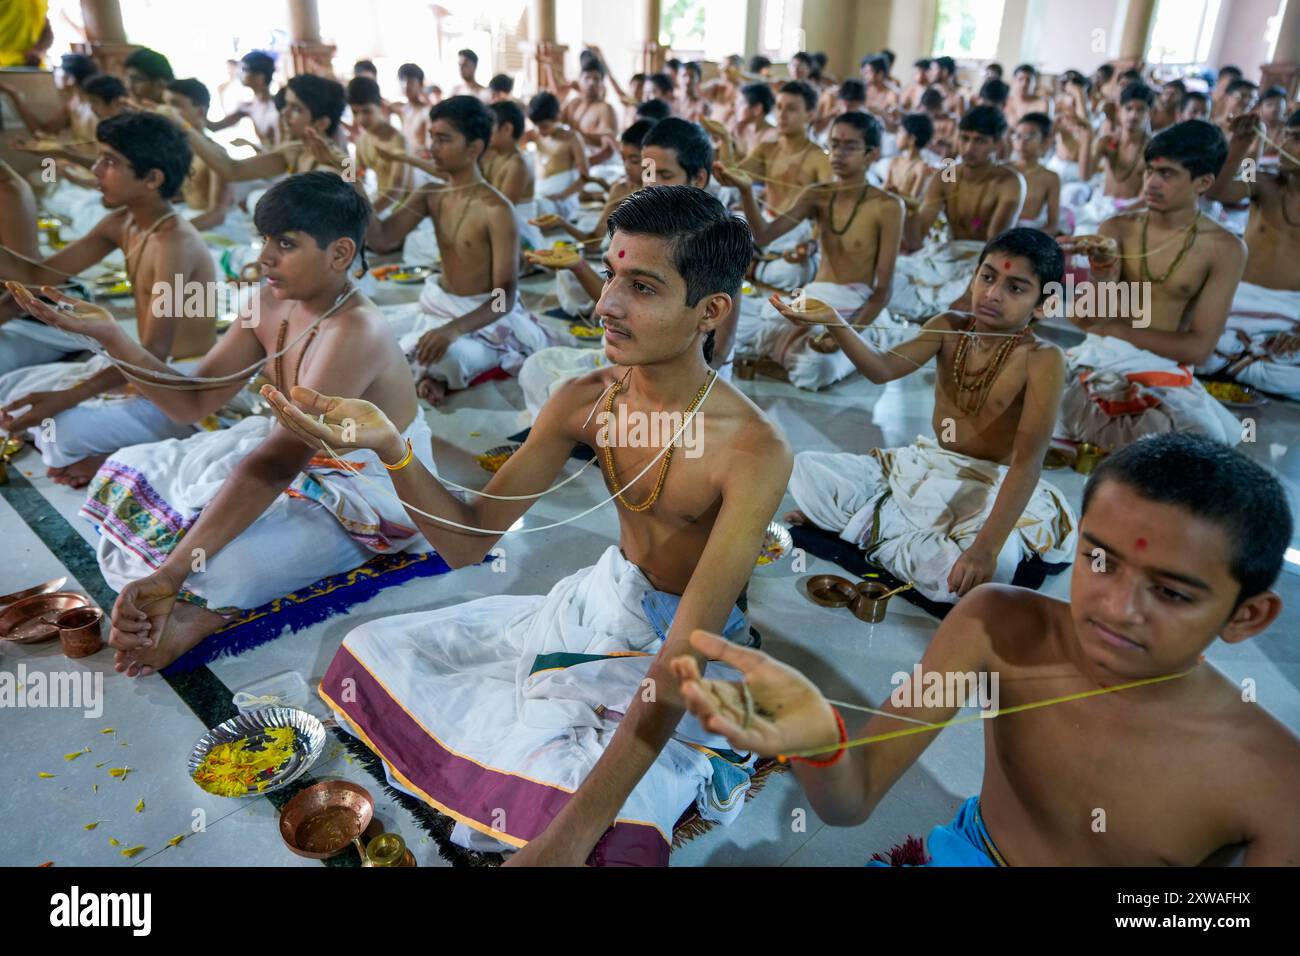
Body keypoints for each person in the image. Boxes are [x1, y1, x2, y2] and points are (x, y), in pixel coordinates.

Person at [266, 183, 792, 867]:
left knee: (601, 836)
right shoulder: (583, 397)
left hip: (687, 649)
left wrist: (569, 837)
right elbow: (467, 541)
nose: (605, 303)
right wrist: (393, 446)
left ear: (710, 312)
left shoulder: (754, 449)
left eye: (642, 286)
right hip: (600, 603)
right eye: (609, 275)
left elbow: (678, 663)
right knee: (366, 654)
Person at [676, 432, 1300, 866]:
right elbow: (853, 798)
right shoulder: (996, 624)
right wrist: (820, 746)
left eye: (1169, 591)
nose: (1116, 606)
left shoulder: (1274, 781)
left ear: (1247, 616)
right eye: (1100, 560)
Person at [8, 171, 433, 676]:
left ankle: (198, 610)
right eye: (265, 241)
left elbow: (274, 466)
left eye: (285, 243)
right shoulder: (271, 302)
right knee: (125, 469)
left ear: (340, 254)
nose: (266, 257)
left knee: (228, 567)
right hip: (282, 454)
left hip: (367, 484)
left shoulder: (353, 331)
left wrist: (171, 574)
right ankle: (185, 591)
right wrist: (112, 337)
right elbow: (195, 401)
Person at [775, 227, 1076, 601]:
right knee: (804, 468)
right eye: (987, 277)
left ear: (1043, 303)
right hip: (927, 464)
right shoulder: (948, 326)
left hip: (991, 484)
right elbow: (881, 369)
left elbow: (1028, 462)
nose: (993, 294)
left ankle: (871, 526)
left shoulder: (1044, 359)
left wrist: (984, 549)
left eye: (1015, 288)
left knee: (987, 571)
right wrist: (835, 321)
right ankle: (890, 530)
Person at [0, 112, 218, 486]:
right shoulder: (122, 222)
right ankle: (127, 444)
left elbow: (155, 357)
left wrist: (67, 397)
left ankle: (169, 442)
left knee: (60, 431)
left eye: (110, 162)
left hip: (181, 382)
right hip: (135, 366)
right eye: (99, 159)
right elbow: (38, 277)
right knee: (10, 389)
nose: (96, 171)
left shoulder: (175, 244)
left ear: (152, 179)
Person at [1057, 121, 1245, 449]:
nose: (1151, 183)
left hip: (1162, 371)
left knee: (1207, 441)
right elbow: (1082, 320)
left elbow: (1198, 349)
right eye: (1149, 171)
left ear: (1203, 182)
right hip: (1103, 358)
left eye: (1167, 174)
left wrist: (1115, 329)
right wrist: (1101, 271)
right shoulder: (1116, 228)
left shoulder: (1225, 248)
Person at [366, 96, 550, 405]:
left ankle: (435, 372)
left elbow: (504, 297)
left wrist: (452, 330)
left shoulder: (496, 209)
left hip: (485, 318)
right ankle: (430, 373)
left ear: (474, 148)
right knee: (368, 334)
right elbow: (383, 239)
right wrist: (351, 182)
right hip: (439, 306)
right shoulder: (430, 194)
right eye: (432, 138)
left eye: (443, 139)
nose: (432, 148)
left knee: (441, 356)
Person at [720, 112, 909, 390]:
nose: (838, 153)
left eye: (850, 146)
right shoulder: (817, 194)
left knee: (814, 369)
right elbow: (763, 236)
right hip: (815, 298)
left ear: (872, 154)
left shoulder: (888, 206)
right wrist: (747, 192)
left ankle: (780, 352)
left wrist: (843, 335)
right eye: (833, 144)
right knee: (725, 316)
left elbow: (882, 291)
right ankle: (784, 349)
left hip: (858, 307)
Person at [1197, 109, 1300, 399]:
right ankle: (1244, 362)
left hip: (1290, 314)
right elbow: (1218, 190)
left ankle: (1239, 362)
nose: (1286, 146)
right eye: (1287, 137)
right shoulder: (1262, 181)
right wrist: (1241, 144)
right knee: (1196, 344)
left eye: (1297, 140)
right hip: (1237, 299)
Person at [892, 105, 1026, 321]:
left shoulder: (1008, 181)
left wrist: (970, 290)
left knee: (961, 304)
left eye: (979, 141)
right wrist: (907, 209)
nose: (969, 147)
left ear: (997, 144)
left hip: (988, 262)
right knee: (887, 275)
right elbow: (916, 240)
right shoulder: (948, 173)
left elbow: (996, 245)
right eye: (964, 138)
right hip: (946, 255)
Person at [722, 80, 832, 290]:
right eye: (779, 107)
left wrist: (812, 243)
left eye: (791, 109)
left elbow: (828, 211)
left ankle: (749, 268)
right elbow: (729, 177)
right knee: (719, 235)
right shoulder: (767, 149)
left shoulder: (819, 158)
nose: (781, 115)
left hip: (795, 233)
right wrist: (725, 139)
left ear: (810, 115)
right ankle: (754, 267)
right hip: (761, 224)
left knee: (798, 272)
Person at [178, 74, 348, 184]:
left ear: (321, 123)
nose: (284, 112)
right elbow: (233, 170)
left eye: (296, 109)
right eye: (287, 105)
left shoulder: (339, 164)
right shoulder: (294, 151)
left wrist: (183, 125)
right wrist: (183, 126)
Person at [1074, 82, 1157, 233]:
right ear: (1119, 111)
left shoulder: (1153, 150)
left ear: (1150, 113)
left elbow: (1145, 199)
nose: (1133, 115)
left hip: (1130, 210)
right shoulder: (1107, 142)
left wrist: (1117, 214)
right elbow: (1085, 176)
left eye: (1141, 110)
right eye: (1129, 108)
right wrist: (1088, 137)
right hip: (1099, 205)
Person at [163, 79, 235, 233]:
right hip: (191, 218)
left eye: (175, 105)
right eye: (165, 104)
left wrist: (171, 232)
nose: (168, 111)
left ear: (200, 112)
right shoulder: (178, 151)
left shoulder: (216, 154)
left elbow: (218, 214)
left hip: (219, 228)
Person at [0, 52, 99, 143]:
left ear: (70, 79)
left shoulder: (95, 103)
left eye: (58, 69)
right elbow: (42, 132)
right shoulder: (73, 104)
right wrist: (14, 95)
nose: (55, 73)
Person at [346, 76, 410, 215]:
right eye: (355, 112)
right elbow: (356, 176)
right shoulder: (362, 140)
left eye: (366, 111)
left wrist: (367, 215)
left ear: (381, 107)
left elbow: (397, 190)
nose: (360, 119)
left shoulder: (398, 140)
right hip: (380, 206)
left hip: (406, 209)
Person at [524, 91, 589, 220]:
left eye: (544, 126)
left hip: (563, 200)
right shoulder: (533, 134)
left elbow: (585, 176)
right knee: (522, 208)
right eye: (535, 125)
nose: (539, 131)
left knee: (536, 210)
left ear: (557, 118)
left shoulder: (572, 138)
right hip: (539, 196)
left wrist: (562, 196)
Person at [207, 51, 280, 148]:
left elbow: (278, 151)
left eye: (244, 70)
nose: (239, 74)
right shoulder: (248, 106)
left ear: (259, 77)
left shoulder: (275, 109)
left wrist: (249, 144)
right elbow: (214, 127)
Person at [561, 58, 619, 169]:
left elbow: (607, 150)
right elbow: (555, 128)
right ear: (579, 80)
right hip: (571, 160)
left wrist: (583, 165)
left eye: (596, 79)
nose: (591, 83)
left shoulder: (605, 108)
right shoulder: (573, 103)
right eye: (587, 78)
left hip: (598, 165)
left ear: (602, 84)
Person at [1011, 112, 1060, 234]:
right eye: (1018, 136)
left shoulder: (1051, 178)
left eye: (1029, 137)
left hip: (1030, 234)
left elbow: (1053, 225)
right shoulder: (1003, 170)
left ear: (1045, 142)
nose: (1022, 143)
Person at [882, 112, 935, 203]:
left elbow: (914, 201)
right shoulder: (894, 161)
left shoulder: (921, 167)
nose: (897, 136)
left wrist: (897, 194)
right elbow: (885, 188)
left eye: (900, 132)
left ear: (911, 139)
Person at [395, 63, 431, 152]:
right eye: (402, 81)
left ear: (420, 84)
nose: (406, 86)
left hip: (420, 161)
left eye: (411, 82)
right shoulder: (403, 109)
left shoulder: (426, 112)